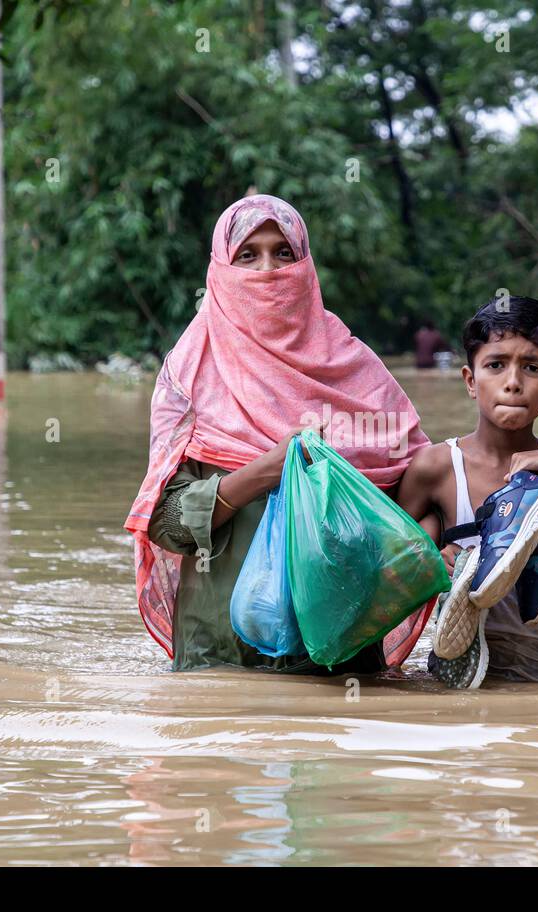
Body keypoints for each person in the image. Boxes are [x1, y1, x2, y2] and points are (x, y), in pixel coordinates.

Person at [123, 194, 433, 674]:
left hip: (338, 650)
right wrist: (269, 468)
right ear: (222, 269)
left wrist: (434, 549)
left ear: (305, 264)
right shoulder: (189, 375)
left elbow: (419, 490)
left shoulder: (356, 370)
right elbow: (166, 524)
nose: (267, 269)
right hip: (221, 649)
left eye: (283, 252)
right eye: (248, 255)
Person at [397, 296, 538, 688]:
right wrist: (431, 565)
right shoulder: (436, 467)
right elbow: (390, 578)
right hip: (457, 676)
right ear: (471, 381)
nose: (513, 382)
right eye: (496, 365)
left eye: (532, 368)